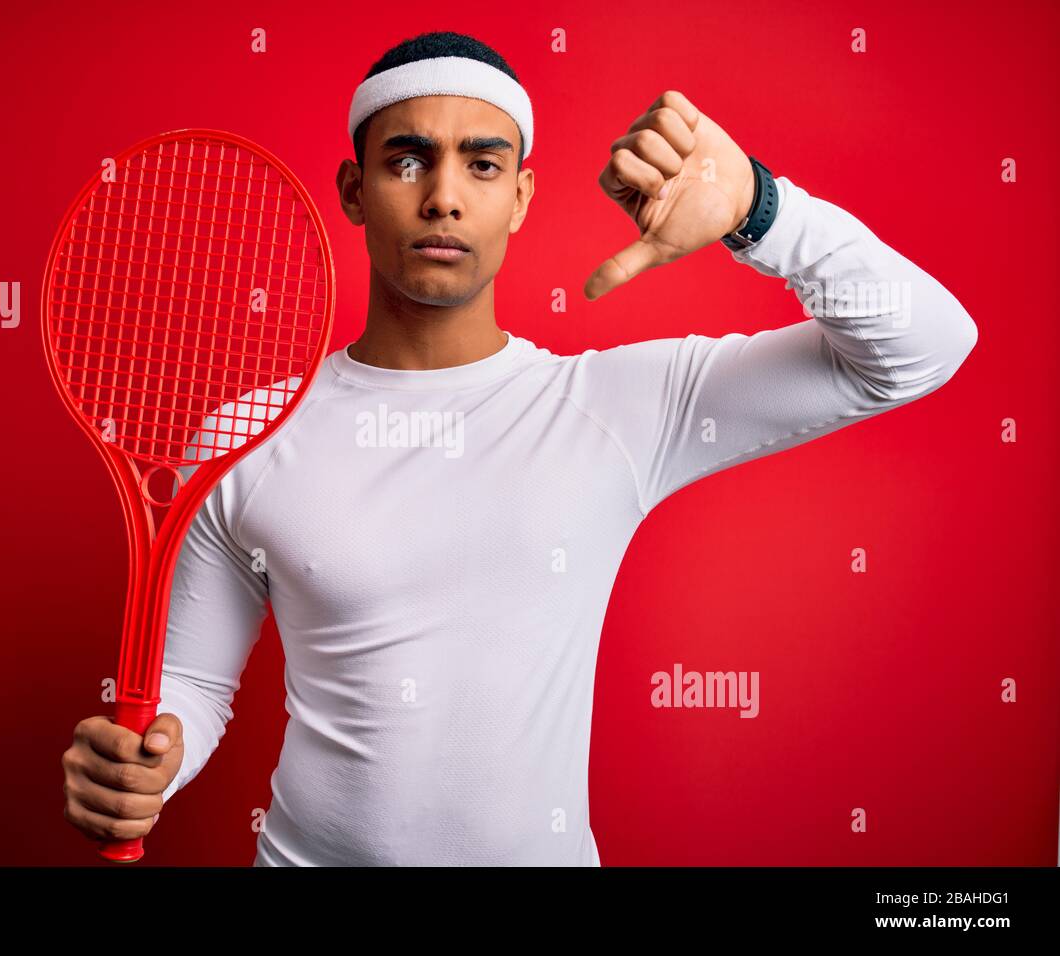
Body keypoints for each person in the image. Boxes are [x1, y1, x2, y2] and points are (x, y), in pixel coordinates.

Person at [62, 30, 978, 865]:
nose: (445, 197)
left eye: (484, 164)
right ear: (354, 189)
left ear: (522, 195)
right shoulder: (245, 436)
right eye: (407, 159)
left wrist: (761, 212)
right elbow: (188, 683)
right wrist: (146, 768)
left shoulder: (615, 406)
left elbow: (925, 347)